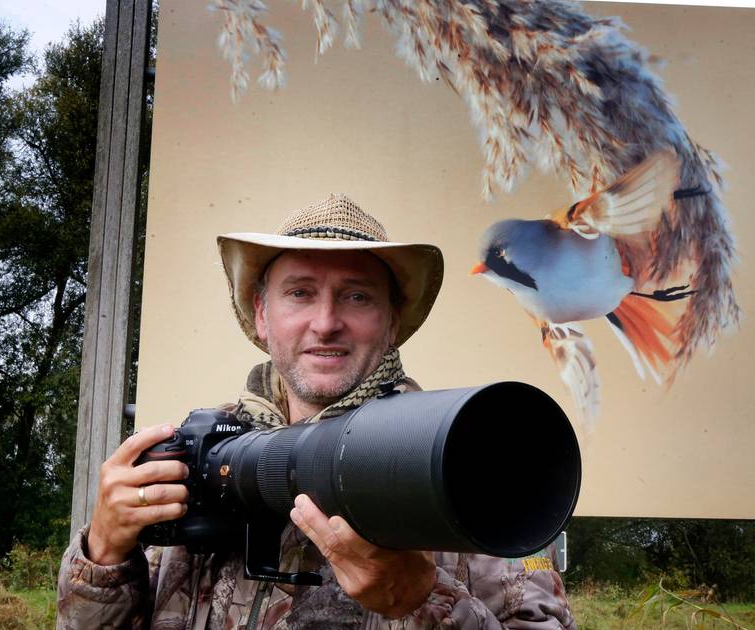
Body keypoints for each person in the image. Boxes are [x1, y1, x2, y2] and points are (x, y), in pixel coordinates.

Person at [56, 194, 576, 629]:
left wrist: (425, 601)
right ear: (262, 313)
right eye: (300, 293)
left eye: (356, 296)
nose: (326, 323)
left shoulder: (469, 457)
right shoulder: (197, 456)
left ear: (392, 319)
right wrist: (103, 554)